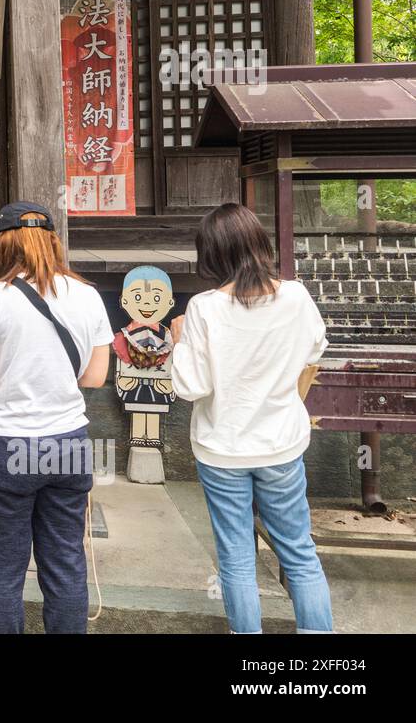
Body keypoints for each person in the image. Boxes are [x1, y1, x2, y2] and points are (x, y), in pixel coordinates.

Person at [169, 202, 333, 634]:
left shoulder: (203, 308)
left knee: (237, 558)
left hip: (222, 448)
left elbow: (190, 387)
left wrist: (179, 337)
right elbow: (315, 351)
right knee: (298, 551)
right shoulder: (296, 296)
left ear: (213, 254)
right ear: (258, 244)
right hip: (280, 443)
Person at [0, 202, 112, 634]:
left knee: (4, 566)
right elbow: (95, 377)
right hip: (66, 442)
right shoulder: (87, 295)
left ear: (3, 245)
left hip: (5, 443)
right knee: (65, 561)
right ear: (52, 242)